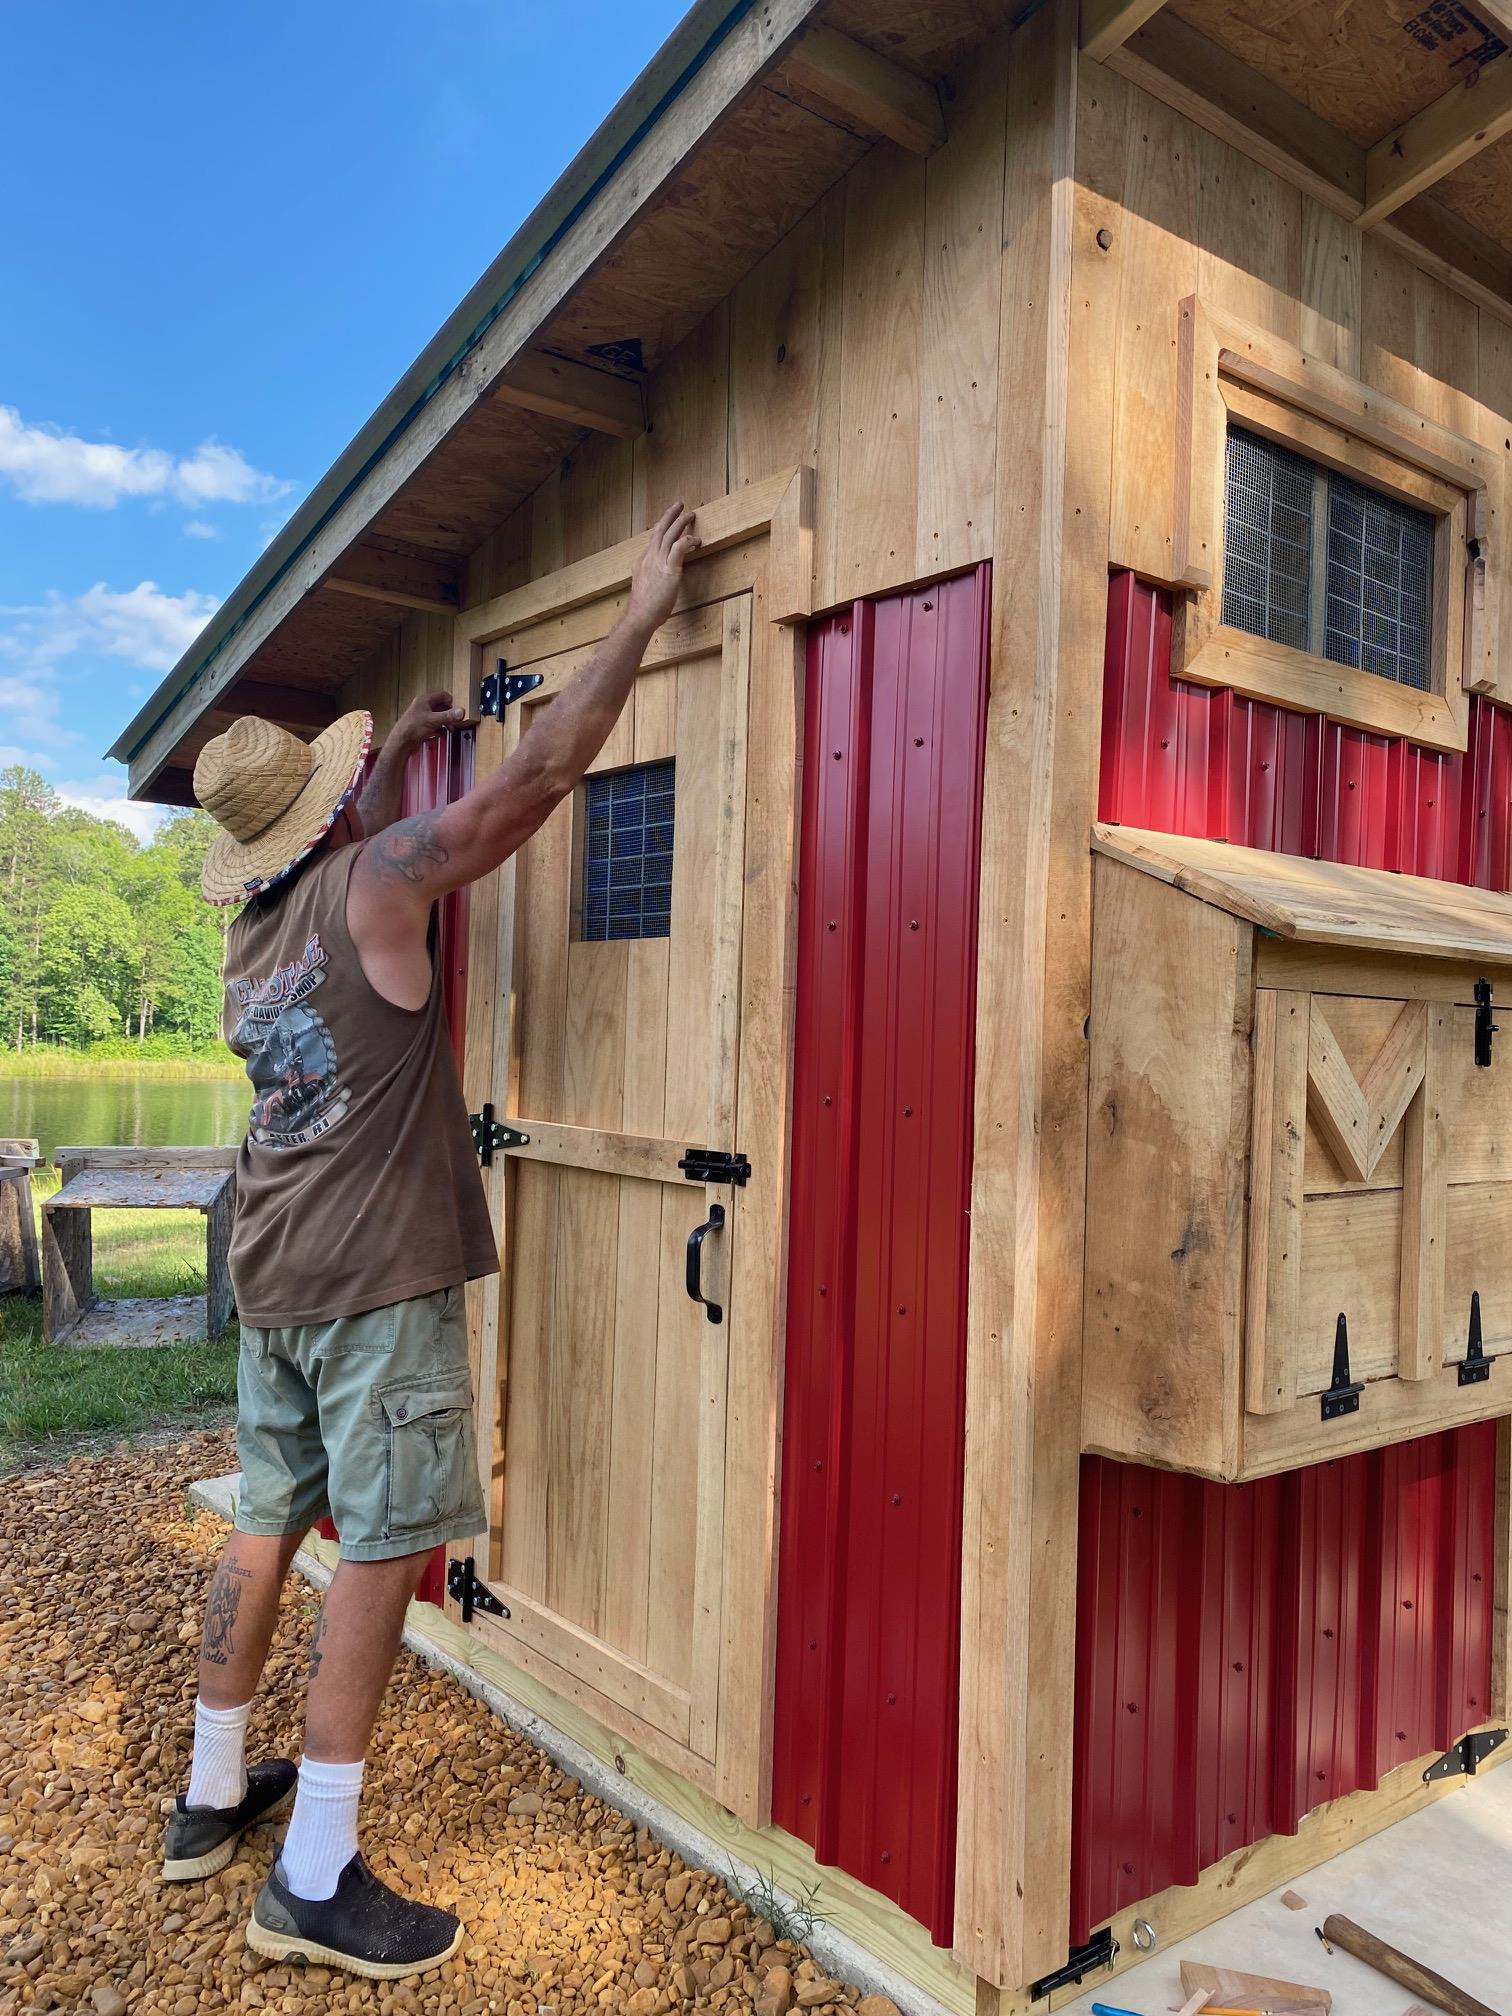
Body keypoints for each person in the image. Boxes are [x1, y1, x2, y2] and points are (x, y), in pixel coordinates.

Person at [164, 503, 701, 1980]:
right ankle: (314, 1877)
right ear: (335, 816)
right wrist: (643, 608)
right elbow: (534, 780)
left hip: (275, 1277)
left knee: (266, 1520)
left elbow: (349, 866)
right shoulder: (382, 880)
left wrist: (392, 758)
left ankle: (209, 1798)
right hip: (376, 1283)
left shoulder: (249, 938)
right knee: (386, 1549)